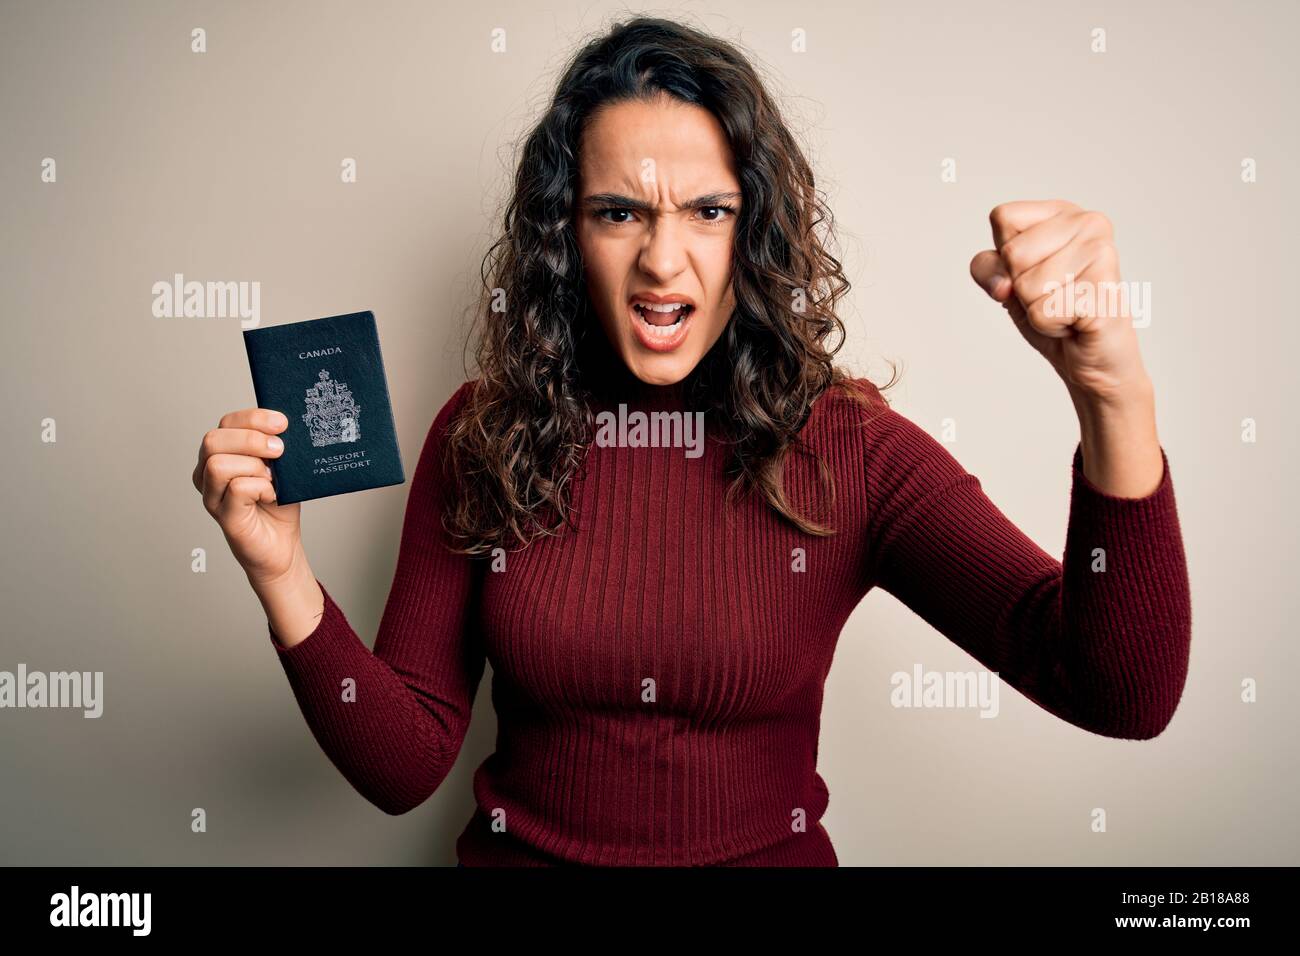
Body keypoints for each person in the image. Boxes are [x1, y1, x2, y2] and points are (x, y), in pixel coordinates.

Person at [192, 17, 1190, 867]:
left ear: (751, 231)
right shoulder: (482, 433)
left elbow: (1118, 692)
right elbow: (405, 767)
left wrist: (1111, 394)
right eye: (618, 212)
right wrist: (283, 575)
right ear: (564, 233)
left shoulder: (852, 449)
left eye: (707, 212)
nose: (661, 261)